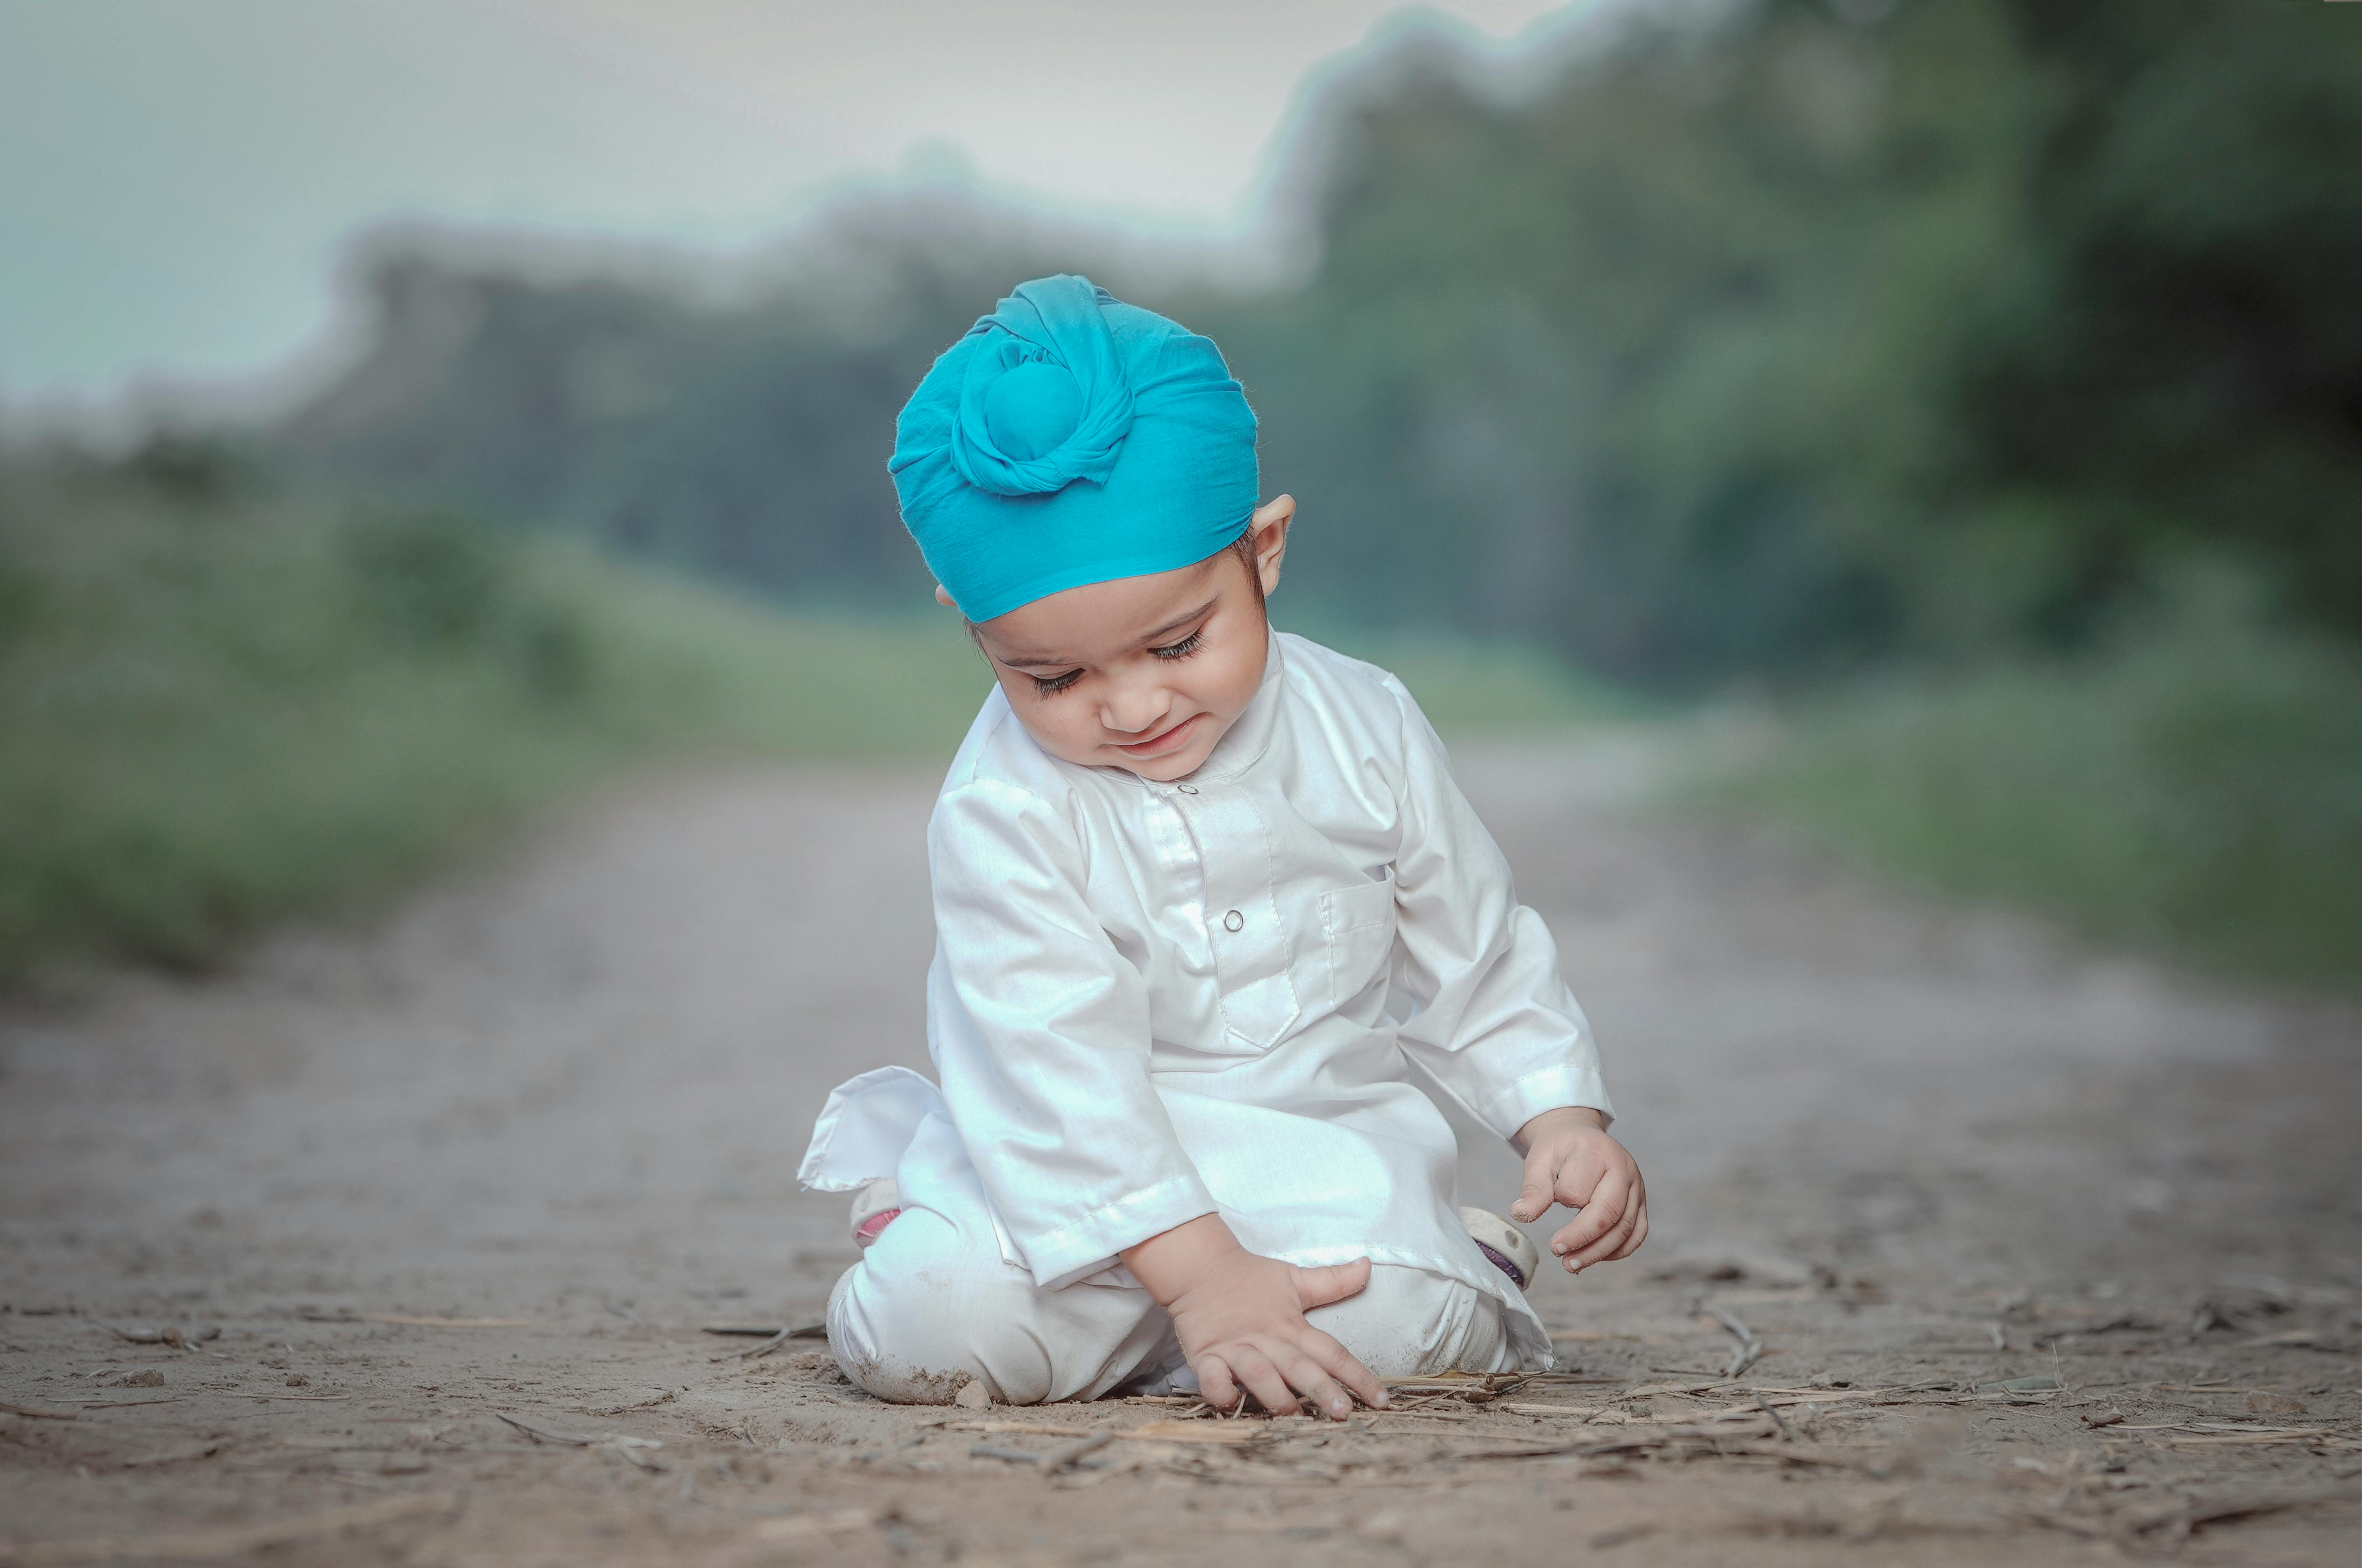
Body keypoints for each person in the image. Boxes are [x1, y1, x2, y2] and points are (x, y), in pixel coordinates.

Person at [799, 275, 1646, 1420]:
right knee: (930, 1335)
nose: (1132, 706)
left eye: (1178, 642)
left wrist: (1559, 1115)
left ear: (1265, 551)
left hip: (1311, 1151)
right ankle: (947, 1230)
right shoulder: (1006, 807)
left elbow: (1473, 944)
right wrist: (1202, 1283)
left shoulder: (1367, 727)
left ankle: (1462, 1260)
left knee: (1409, 1333)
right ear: (971, 625)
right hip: (1065, 1173)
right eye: (1054, 677)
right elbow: (1055, 1075)